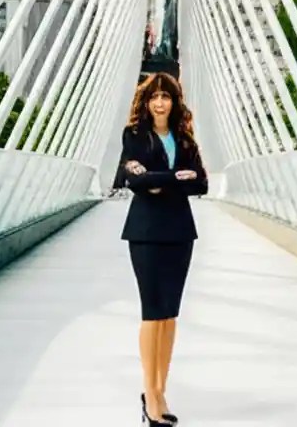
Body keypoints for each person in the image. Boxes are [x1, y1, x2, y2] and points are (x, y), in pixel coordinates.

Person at [114, 72, 208, 426]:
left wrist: (159, 181)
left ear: (174, 101)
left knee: (170, 315)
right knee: (152, 312)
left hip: (180, 232)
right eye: (153, 96)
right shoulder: (135, 136)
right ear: (146, 101)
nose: (159, 102)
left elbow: (201, 182)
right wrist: (174, 178)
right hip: (146, 232)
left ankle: (161, 388)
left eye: (166, 96)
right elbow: (134, 181)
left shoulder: (184, 138)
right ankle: (149, 395)